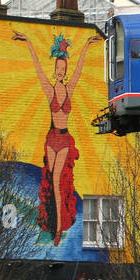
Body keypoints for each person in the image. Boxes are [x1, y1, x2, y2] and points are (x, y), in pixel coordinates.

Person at [11, 29, 101, 245]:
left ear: (65, 70)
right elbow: (37, 69)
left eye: (63, 68)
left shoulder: (69, 89)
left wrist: (87, 45)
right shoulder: (50, 90)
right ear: (54, 70)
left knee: (59, 181)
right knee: (51, 181)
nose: (59, 71)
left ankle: (59, 228)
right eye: (57, 68)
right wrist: (29, 41)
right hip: (51, 139)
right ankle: (52, 223)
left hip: (64, 139)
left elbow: (79, 69)